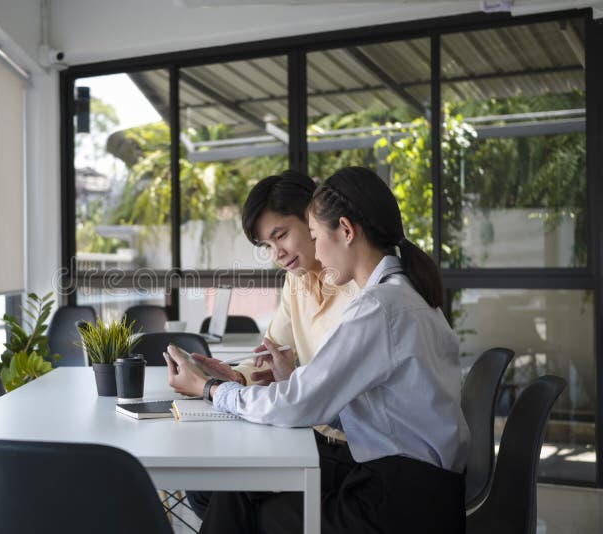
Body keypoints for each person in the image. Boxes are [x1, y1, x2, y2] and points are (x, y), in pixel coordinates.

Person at [166, 166, 470, 533]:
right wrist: (291, 381)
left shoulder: (377, 307)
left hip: (401, 501)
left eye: (313, 235)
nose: (317, 255)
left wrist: (212, 389)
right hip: (414, 486)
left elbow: (300, 403)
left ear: (345, 230)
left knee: (250, 506)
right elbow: (380, 411)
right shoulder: (399, 293)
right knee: (238, 492)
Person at [184, 169, 358, 519]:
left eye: (281, 235)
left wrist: (220, 389)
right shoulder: (295, 282)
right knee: (203, 487)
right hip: (306, 433)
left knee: (230, 492)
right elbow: (272, 350)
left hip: (350, 448)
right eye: (267, 245)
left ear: (313, 217)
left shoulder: (359, 288)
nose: (277, 253)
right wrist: (237, 376)